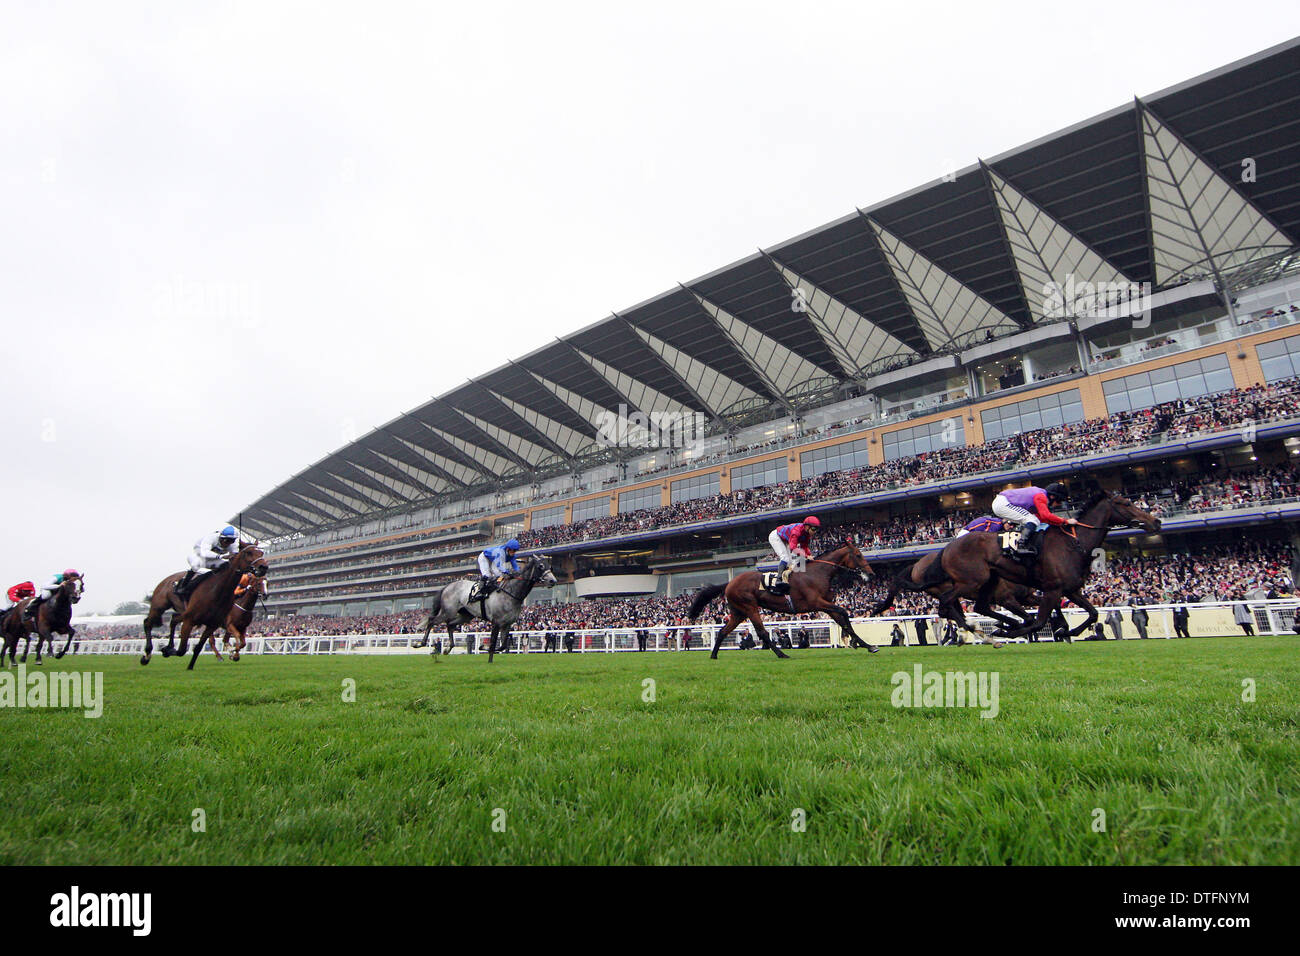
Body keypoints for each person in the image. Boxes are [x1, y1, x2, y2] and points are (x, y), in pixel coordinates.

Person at [990, 482, 1076, 561]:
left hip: (1001, 503)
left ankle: (1016, 545)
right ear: (1053, 497)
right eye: (1059, 501)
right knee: (1032, 520)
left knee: (1033, 520)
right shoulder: (1041, 496)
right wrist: (1066, 521)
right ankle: (1020, 545)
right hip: (1002, 503)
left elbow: (1043, 519)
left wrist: (1061, 523)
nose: (1059, 504)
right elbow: (1046, 515)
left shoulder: (1041, 495)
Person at [177, 525, 242, 599]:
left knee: (226, 565)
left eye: (232, 541)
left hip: (213, 558)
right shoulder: (212, 538)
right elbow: (205, 553)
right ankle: (183, 586)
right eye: (227, 541)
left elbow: (235, 556)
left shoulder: (232, 544)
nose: (229, 543)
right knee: (196, 565)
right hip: (199, 555)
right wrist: (220, 556)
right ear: (221, 538)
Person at [768, 516, 820, 594]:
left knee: (790, 563)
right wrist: (806, 556)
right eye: (813, 529)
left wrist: (810, 556)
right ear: (807, 526)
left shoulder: (806, 534)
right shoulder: (797, 531)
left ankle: (786, 582)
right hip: (776, 537)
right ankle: (778, 580)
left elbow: (804, 547)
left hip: (786, 539)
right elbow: (793, 548)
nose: (815, 531)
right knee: (785, 558)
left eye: (816, 529)